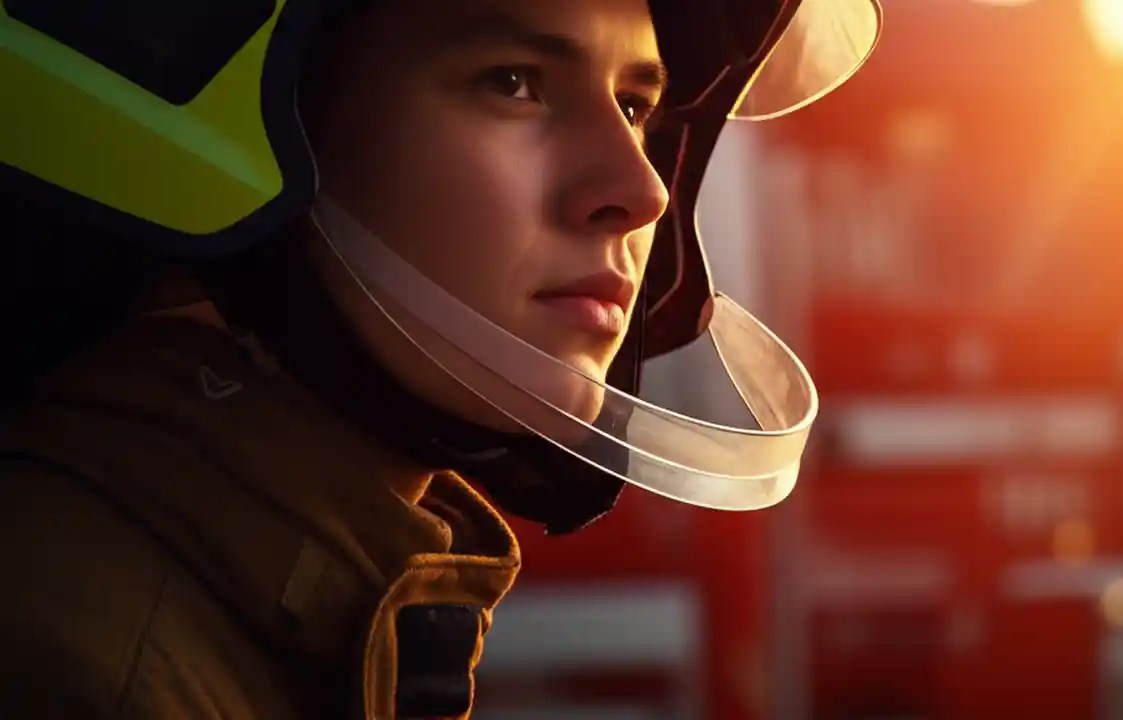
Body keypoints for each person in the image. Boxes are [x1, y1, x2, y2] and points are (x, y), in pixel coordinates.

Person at [0, 0, 879, 717]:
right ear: (278, 134)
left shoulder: (299, 607)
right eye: (516, 83)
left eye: (637, 107)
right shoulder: (74, 667)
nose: (640, 190)